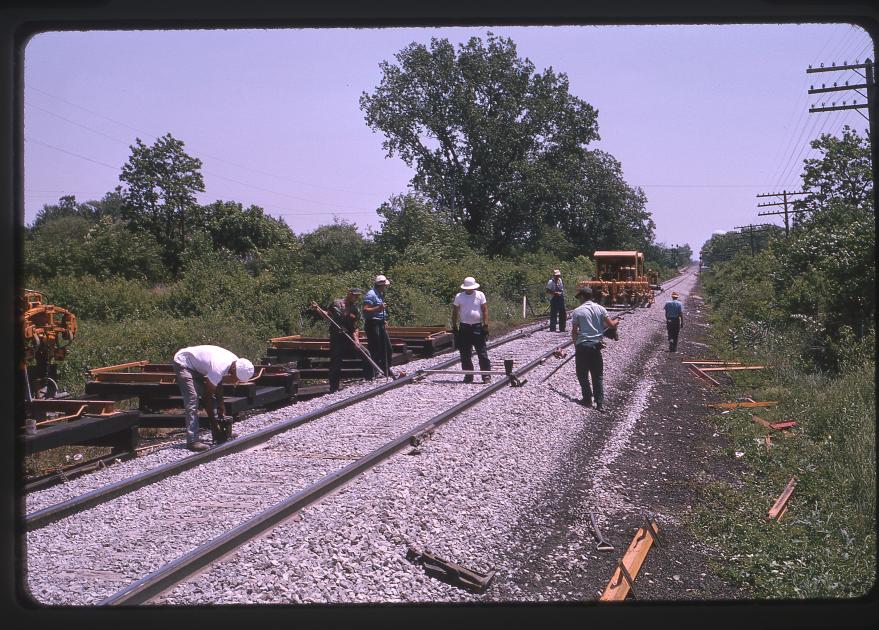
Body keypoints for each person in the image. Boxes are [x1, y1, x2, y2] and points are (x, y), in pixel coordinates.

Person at [173, 345, 255, 451]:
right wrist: (213, 422)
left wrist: (221, 405)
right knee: (192, 399)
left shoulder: (235, 361)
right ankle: (192, 441)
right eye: (236, 377)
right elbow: (206, 397)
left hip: (196, 366)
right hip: (183, 363)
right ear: (234, 368)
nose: (235, 380)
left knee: (213, 399)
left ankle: (220, 433)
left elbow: (217, 382)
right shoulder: (220, 366)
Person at [570, 286, 618, 411]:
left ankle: (587, 399)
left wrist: (576, 345)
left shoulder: (577, 311)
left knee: (582, 374)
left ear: (582, 296)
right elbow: (611, 325)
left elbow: (574, 332)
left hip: (582, 345)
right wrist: (616, 321)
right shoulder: (601, 309)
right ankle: (599, 403)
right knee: (597, 375)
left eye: (579, 297)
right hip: (596, 345)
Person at [327, 288, 371, 393]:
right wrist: (318, 310)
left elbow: (355, 327)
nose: (356, 298)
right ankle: (334, 388)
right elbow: (328, 315)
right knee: (336, 362)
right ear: (349, 294)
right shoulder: (336, 304)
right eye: (355, 295)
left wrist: (356, 341)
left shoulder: (355, 310)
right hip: (337, 338)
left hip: (349, 338)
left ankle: (370, 379)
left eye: (358, 296)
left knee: (366, 353)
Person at [451, 276, 492, 383]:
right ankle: (468, 375)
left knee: (482, 353)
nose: (469, 289)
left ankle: (486, 375)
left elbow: (485, 310)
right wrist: (454, 326)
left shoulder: (480, 295)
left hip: (477, 327)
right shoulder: (459, 296)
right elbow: (455, 312)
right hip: (464, 327)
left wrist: (485, 325)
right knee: (465, 354)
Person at [363, 274, 393, 378]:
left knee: (387, 348)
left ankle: (385, 369)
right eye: (384, 285)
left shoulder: (380, 293)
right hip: (372, 324)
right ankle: (375, 372)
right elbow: (365, 310)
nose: (385, 287)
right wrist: (378, 308)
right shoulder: (371, 294)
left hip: (379, 322)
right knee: (375, 348)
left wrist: (383, 319)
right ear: (380, 285)